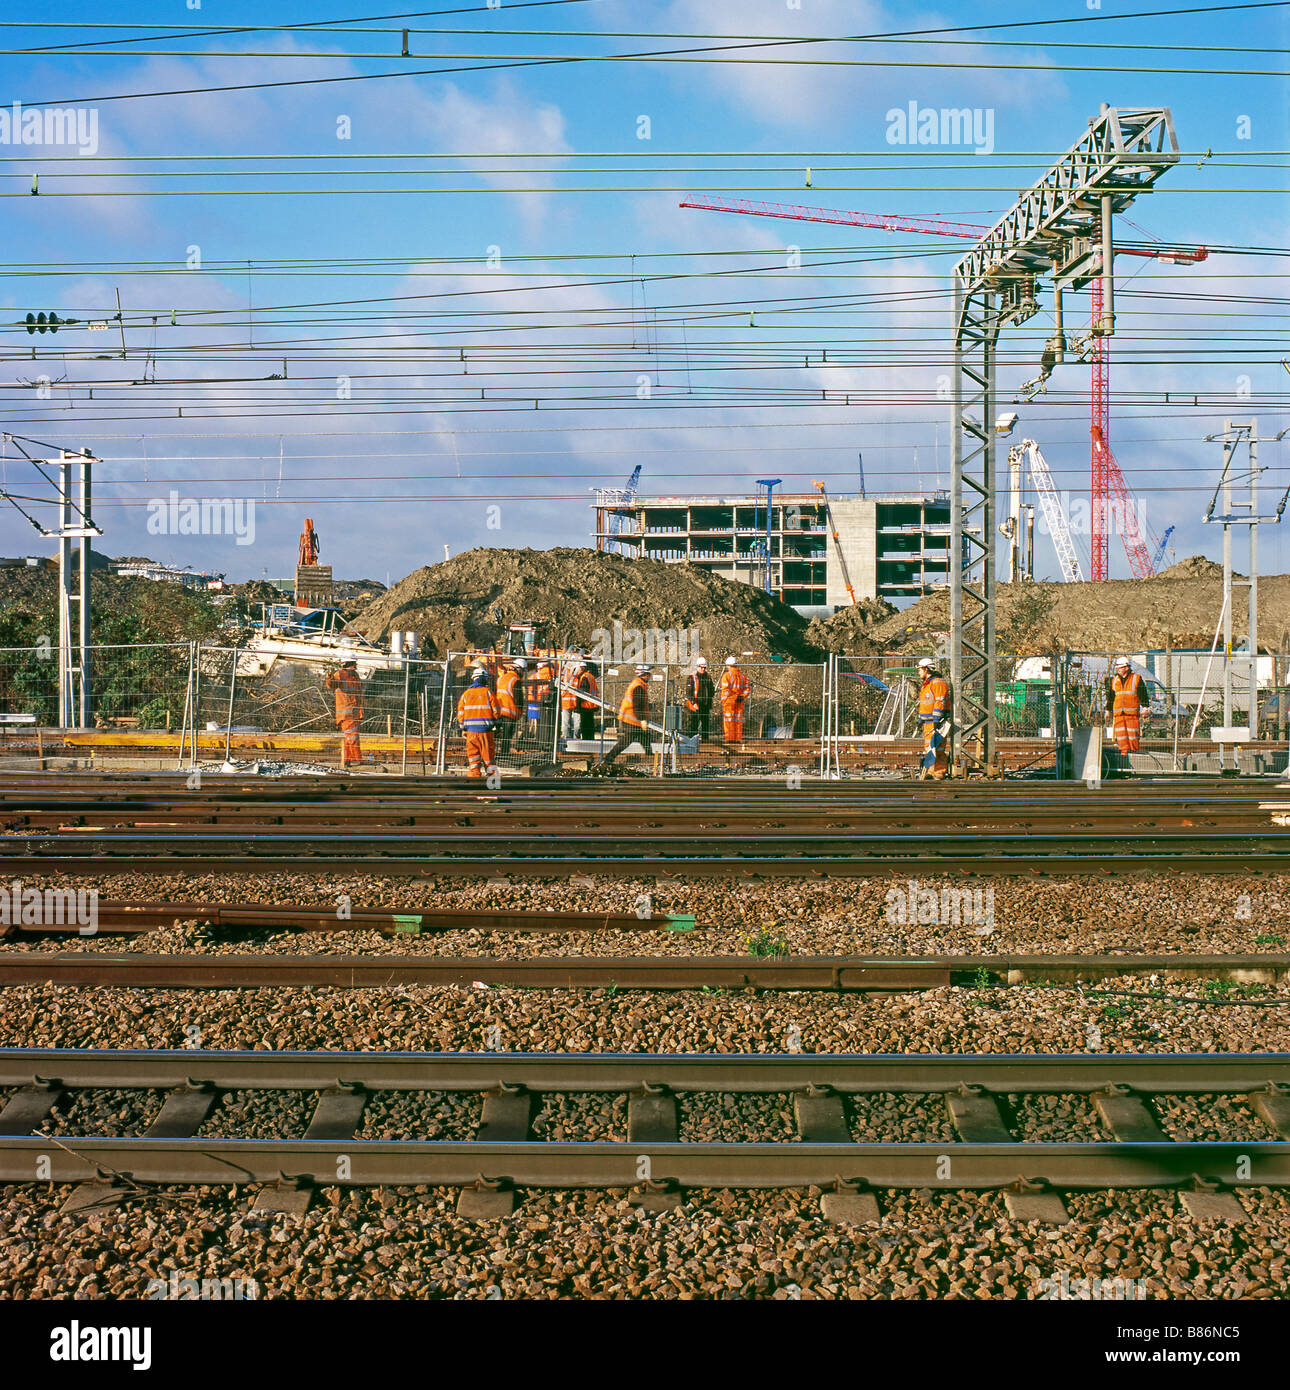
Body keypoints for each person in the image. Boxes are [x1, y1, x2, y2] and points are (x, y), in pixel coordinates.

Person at [598, 663, 653, 766]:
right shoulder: (638, 686)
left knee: (644, 737)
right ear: (644, 675)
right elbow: (637, 705)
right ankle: (608, 759)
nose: (650, 676)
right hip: (631, 719)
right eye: (648, 674)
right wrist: (642, 719)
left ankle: (650, 757)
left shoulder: (638, 684)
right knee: (626, 742)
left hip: (631, 717)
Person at [456, 663, 499, 778]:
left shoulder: (466, 694)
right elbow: (496, 711)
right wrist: (497, 724)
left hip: (470, 733)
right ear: (484, 679)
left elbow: (461, 714)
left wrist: (462, 728)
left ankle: (474, 786)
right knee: (489, 759)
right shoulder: (488, 692)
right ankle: (494, 785)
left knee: (474, 761)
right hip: (485, 732)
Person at [917, 656, 951, 781]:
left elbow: (939, 701)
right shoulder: (928, 684)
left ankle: (939, 773)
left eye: (920, 669)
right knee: (930, 748)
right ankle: (932, 771)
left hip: (936, 722)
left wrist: (937, 719)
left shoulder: (937, 683)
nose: (919, 672)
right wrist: (921, 717)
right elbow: (926, 703)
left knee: (938, 748)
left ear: (926, 669)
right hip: (928, 722)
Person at [1106, 656, 1149, 754]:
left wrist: (1145, 707)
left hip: (1132, 715)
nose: (1118, 670)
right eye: (1117, 668)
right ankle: (1124, 756)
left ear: (1126, 667)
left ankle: (1134, 755)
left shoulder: (1136, 678)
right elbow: (1111, 697)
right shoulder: (1114, 680)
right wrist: (1108, 710)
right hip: (1119, 715)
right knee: (1121, 738)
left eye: (1120, 668)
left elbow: (1143, 694)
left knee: (1133, 737)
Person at [325, 659, 363, 767]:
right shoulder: (339, 674)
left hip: (355, 712)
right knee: (353, 737)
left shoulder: (354, 675)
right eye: (354, 664)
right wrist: (329, 678)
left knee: (349, 738)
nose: (356, 666)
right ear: (348, 664)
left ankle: (347, 760)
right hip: (346, 713)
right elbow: (331, 685)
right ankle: (357, 759)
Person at [718, 654, 751, 743]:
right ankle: (737, 739)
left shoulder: (727, 676)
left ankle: (729, 740)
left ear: (728, 665)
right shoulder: (743, 676)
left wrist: (725, 700)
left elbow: (725, 690)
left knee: (729, 721)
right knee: (738, 721)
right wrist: (742, 696)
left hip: (729, 702)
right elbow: (747, 688)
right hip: (739, 701)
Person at [495, 658, 525, 754]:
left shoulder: (501, 678)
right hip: (510, 712)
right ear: (519, 669)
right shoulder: (515, 680)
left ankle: (494, 753)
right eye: (523, 670)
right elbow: (518, 699)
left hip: (499, 711)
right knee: (507, 736)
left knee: (498, 734)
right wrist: (520, 711)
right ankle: (504, 754)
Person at [683, 655, 715, 740]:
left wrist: (710, 698)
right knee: (693, 724)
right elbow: (689, 693)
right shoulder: (692, 677)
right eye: (701, 667)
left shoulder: (708, 677)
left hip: (705, 705)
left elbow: (711, 690)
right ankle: (692, 741)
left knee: (705, 725)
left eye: (704, 668)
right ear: (698, 667)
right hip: (695, 706)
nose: (703, 669)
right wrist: (693, 703)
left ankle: (705, 741)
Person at [575, 660, 600, 740]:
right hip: (591, 704)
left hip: (586, 705)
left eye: (577, 669)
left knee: (585, 725)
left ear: (581, 668)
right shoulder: (590, 676)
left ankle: (587, 742)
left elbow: (583, 693)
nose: (576, 671)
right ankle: (590, 740)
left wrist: (577, 705)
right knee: (590, 725)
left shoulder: (584, 677)